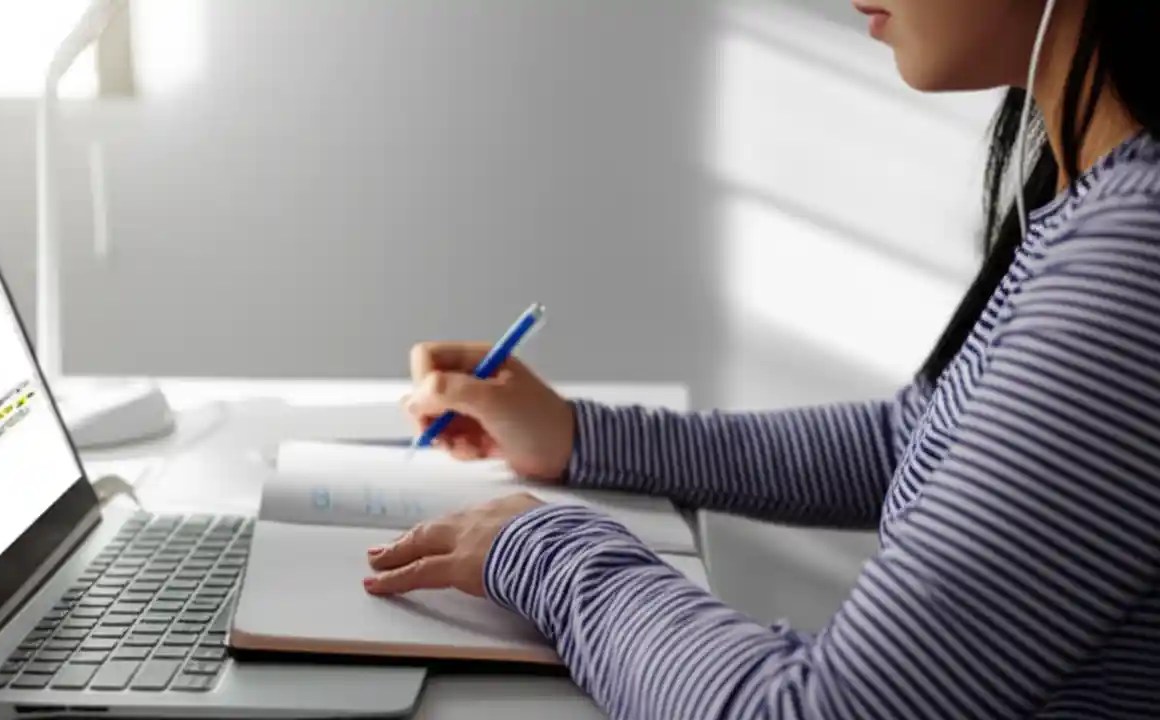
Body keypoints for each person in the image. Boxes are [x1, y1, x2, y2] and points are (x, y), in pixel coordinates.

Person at [364, 1, 1160, 717]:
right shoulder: (1085, 196)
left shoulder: (1131, 257)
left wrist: (539, 549)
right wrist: (579, 436)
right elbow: (914, 440)